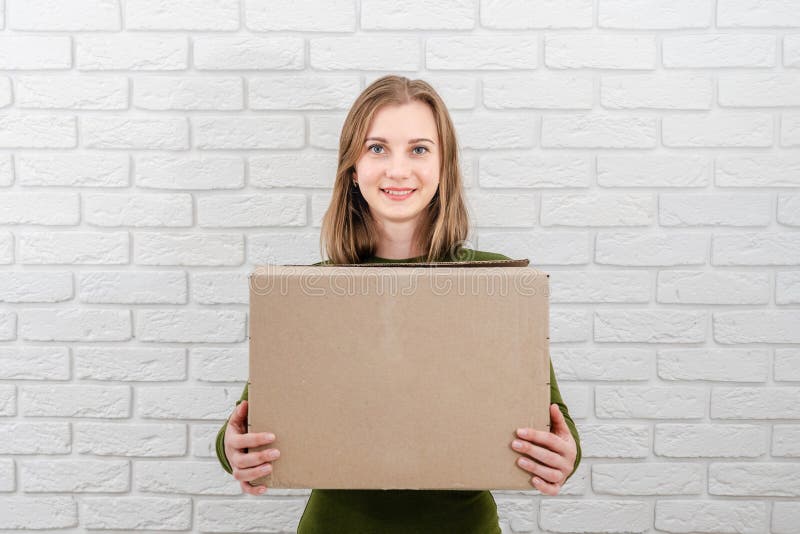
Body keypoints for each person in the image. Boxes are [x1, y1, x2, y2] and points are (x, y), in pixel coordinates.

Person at [215, 75, 581, 533]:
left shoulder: (496, 284)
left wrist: (564, 455)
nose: (398, 170)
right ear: (352, 167)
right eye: (377, 148)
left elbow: (554, 419)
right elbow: (248, 422)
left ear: (444, 165)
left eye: (419, 149)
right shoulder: (311, 289)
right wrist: (233, 450)